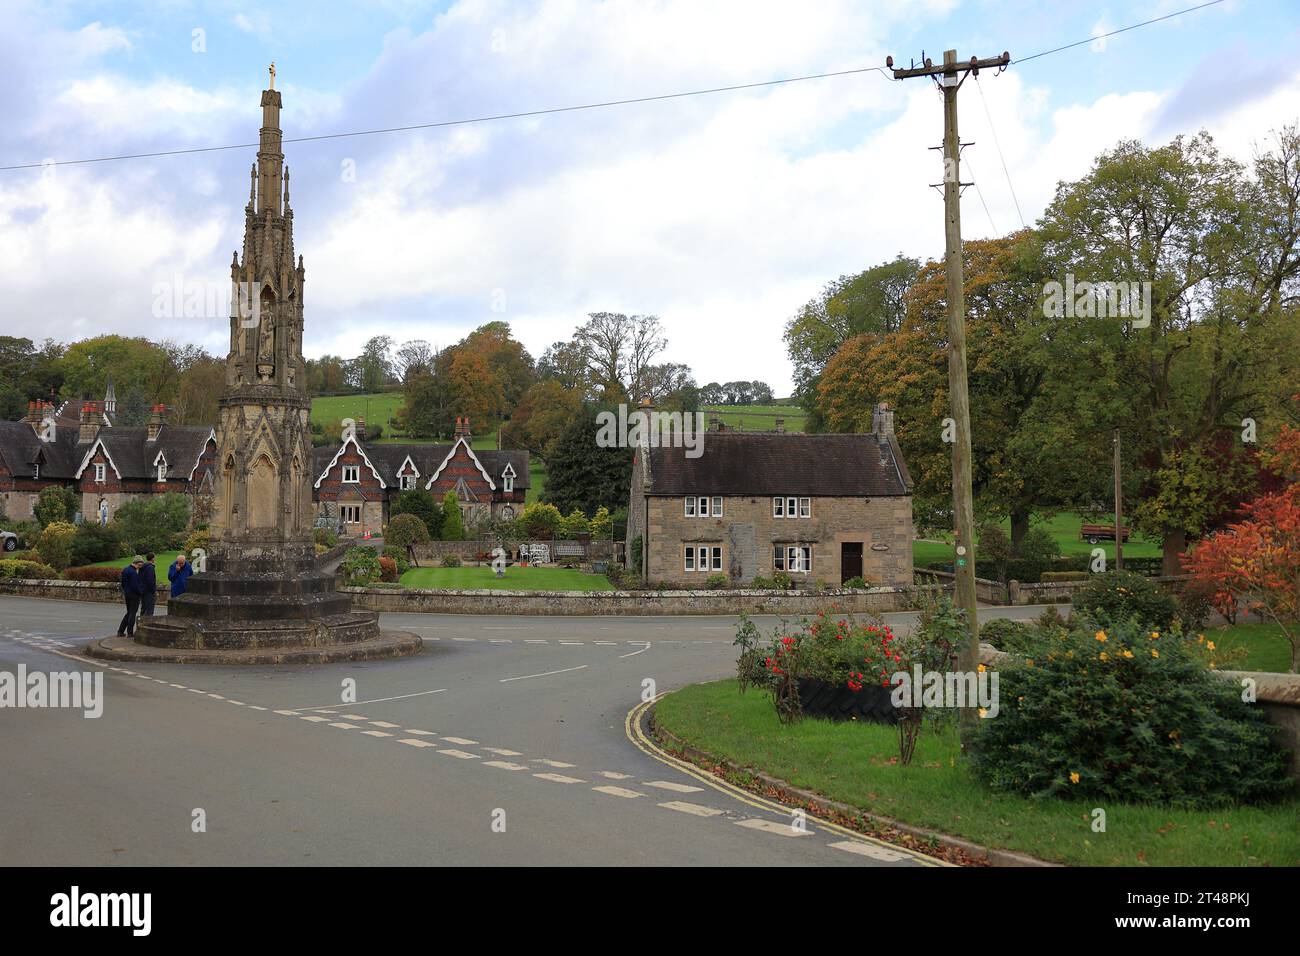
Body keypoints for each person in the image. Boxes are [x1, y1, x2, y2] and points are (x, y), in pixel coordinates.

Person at [117, 556, 146, 637]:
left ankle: (120, 631)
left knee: (129, 612)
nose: (141, 565)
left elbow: (123, 583)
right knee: (132, 613)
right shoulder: (133, 572)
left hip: (127, 594)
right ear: (137, 563)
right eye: (141, 563)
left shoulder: (126, 570)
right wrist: (141, 592)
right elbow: (135, 586)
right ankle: (130, 632)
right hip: (134, 595)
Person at [139, 552, 157, 617]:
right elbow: (150, 581)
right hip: (149, 592)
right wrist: (153, 590)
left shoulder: (142, 567)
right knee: (149, 610)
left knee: (143, 609)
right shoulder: (150, 568)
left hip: (143, 591)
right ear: (152, 558)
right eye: (154, 557)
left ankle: (140, 624)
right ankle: (147, 625)